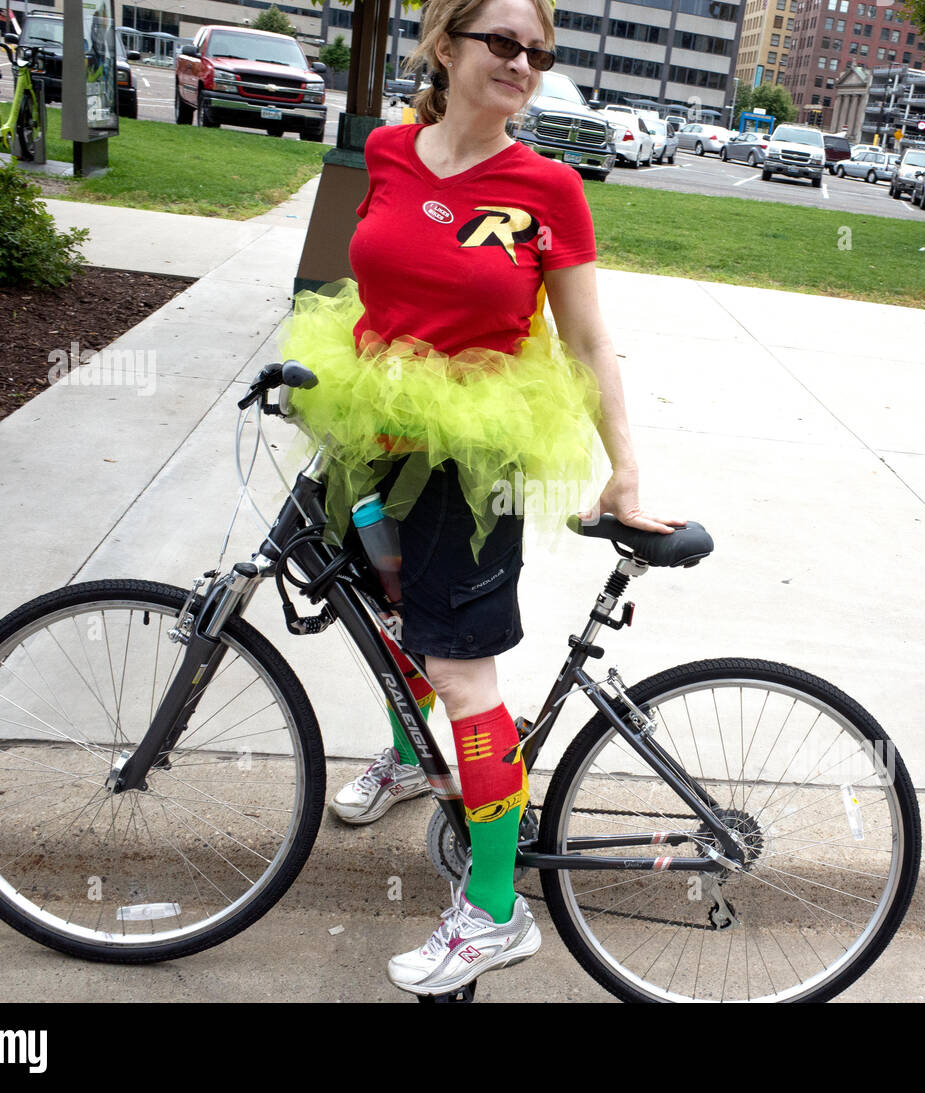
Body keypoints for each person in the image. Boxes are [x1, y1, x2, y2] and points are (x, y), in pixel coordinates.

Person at [276, 0, 682, 996]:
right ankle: (418, 760)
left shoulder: (547, 187)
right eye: (502, 41)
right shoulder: (379, 149)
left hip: (474, 463)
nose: (522, 62)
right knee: (378, 613)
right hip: (369, 438)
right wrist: (302, 371)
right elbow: (331, 281)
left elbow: (587, 342)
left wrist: (623, 466)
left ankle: (494, 910)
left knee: (463, 679)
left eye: (538, 51)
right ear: (445, 43)